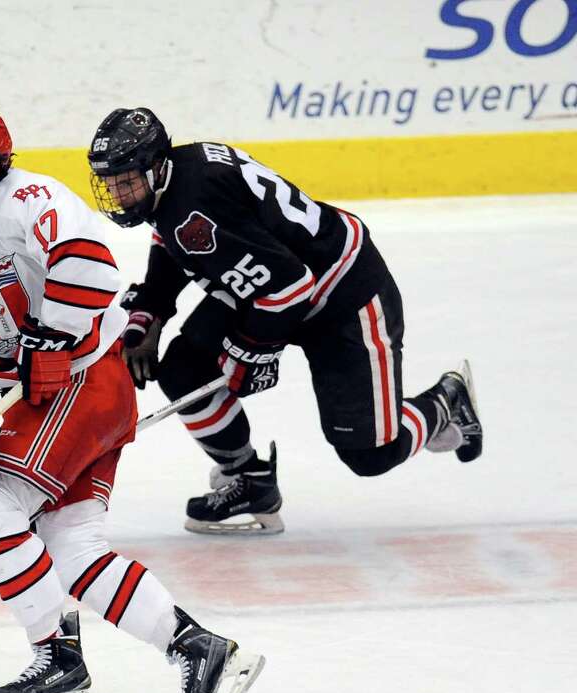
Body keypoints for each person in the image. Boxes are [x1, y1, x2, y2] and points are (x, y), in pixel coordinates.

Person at [0, 105, 264, 693]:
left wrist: (49, 344)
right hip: (55, 396)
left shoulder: (32, 199)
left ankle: (59, 660)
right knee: (72, 547)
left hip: (85, 382)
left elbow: (90, 266)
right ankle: (200, 651)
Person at [86, 108, 484, 534]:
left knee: (370, 455)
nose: (118, 195)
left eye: (126, 182)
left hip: (343, 297)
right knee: (184, 368)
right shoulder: (179, 177)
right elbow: (178, 245)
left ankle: (446, 403)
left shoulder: (193, 206)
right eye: (110, 184)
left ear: (155, 167)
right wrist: (151, 315)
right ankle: (249, 480)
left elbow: (290, 287)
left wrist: (249, 350)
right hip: (274, 287)